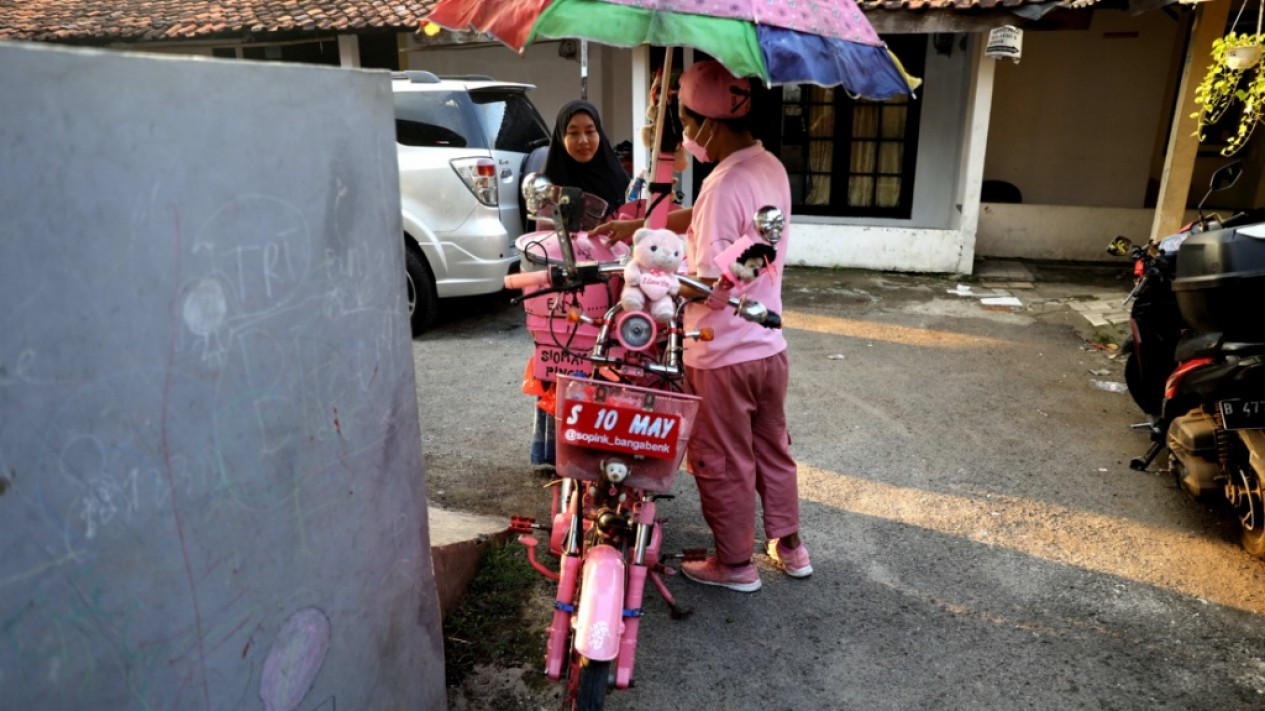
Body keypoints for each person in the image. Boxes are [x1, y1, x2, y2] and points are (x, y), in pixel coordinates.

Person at [595, 61, 808, 592]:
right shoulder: (768, 167)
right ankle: (790, 545)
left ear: (709, 121)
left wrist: (657, 275)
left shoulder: (721, 181)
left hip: (720, 353)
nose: (686, 135)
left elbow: (711, 280)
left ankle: (735, 565)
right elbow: (742, 240)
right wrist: (647, 226)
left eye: (687, 122)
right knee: (771, 448)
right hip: (768, 348)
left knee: (722, 459)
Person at [527, 100, 630, 469]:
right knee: (563, 371)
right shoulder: (550, 188)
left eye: (590, 131)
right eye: (573, 133)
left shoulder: (621, 183)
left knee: (611, 369)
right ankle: (558, 455)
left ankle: (605, 453)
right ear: (560, 137)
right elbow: (541, 247)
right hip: (566, 301)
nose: (583, 140)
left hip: (613, 297)